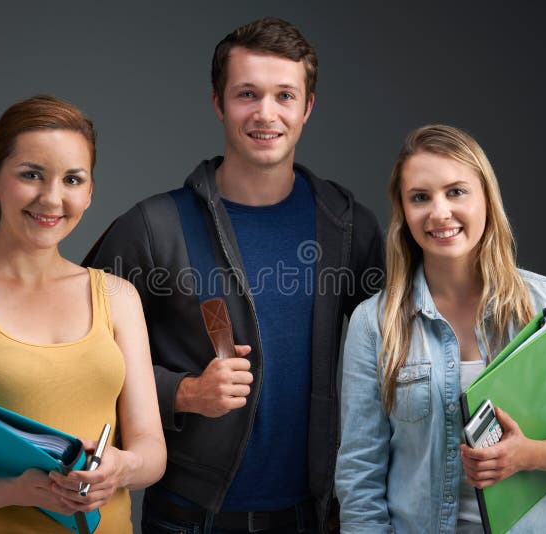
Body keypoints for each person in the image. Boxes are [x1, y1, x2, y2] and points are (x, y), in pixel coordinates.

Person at [83, 17, 384, 534]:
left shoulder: (350, 227)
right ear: (219, 103)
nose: (266, 114)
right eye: (247, 94)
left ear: (307, 107)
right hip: (189, 518)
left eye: (284, 96)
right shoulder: (155, 228)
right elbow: (74, 356)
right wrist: (183, 392)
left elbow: (394, 362)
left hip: (321, 518)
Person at [335, 124, 546, 533]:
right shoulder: (375, 322)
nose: (439, 212)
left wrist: (528, 455)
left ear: (486, 199)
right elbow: (359, 475)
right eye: (420, 197)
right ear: (403, 211)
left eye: (456, 191)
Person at [0, 95, 166, 533]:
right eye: (31, 175)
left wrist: (121, 467)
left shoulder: (119, 297)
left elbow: (151, 452)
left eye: (73, 180)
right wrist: (19, 490)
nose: (52, 198)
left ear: (90, 191)